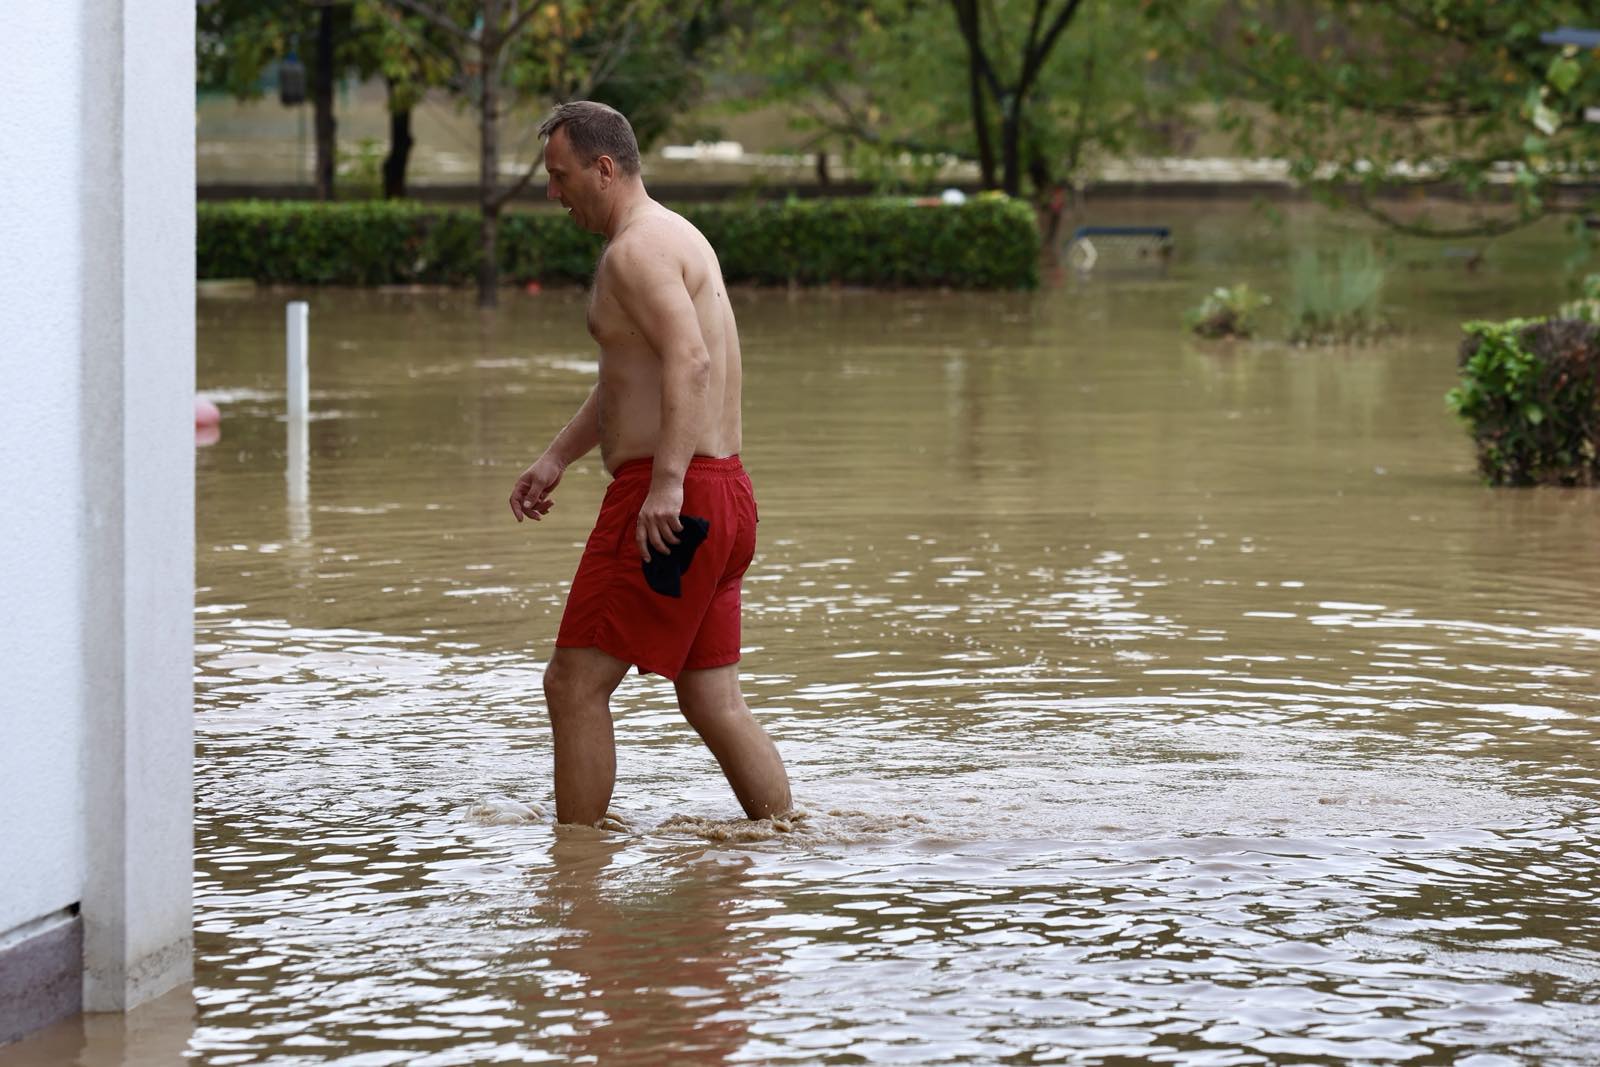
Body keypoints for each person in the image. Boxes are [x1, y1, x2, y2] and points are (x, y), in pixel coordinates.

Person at [509, 101, 791, 827]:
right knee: (711, 697)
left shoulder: (634, 251)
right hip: (725, 495)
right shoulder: (677, 236)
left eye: (561, 175)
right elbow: (632, 376)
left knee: (572, 682)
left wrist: (664, 486)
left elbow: (690, 363)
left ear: (604, 169)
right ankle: (784, 842)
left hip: (673, 496)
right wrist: (557, 456)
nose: (554, 193)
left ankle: (574, 875)